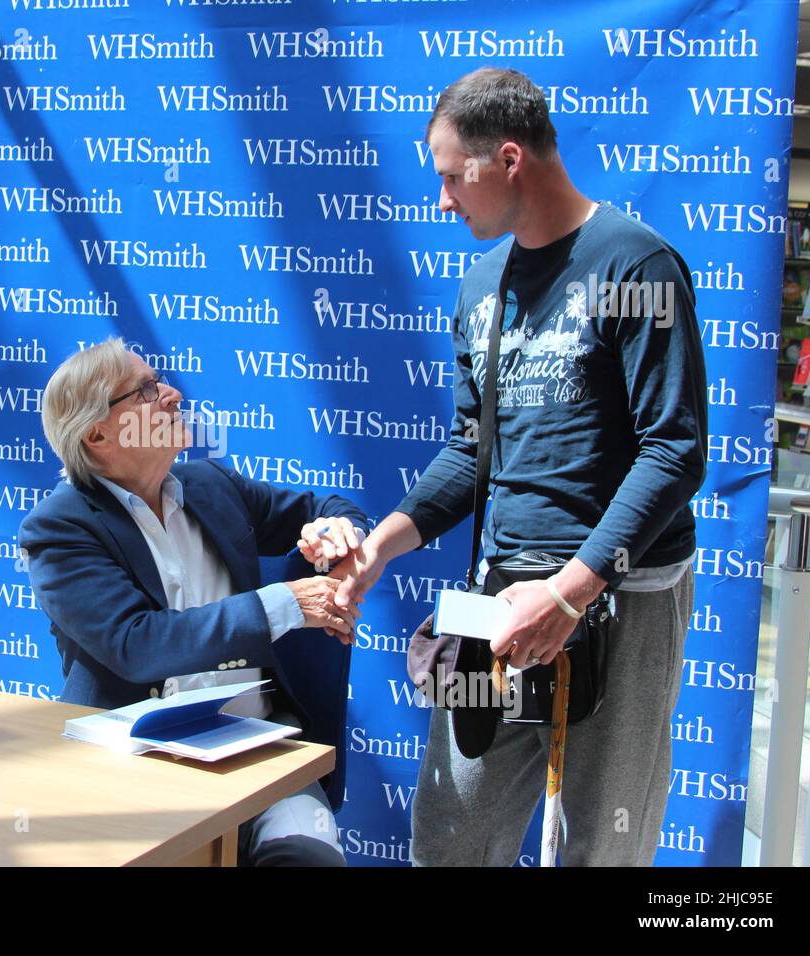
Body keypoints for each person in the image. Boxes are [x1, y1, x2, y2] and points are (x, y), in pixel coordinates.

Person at [333, 68, 707, 866]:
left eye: (449, 176)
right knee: (452, 840)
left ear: (507, 159)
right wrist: (379, 548)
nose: (442, 201)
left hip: (619, 598)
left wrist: (571, 592)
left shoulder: (635, 267)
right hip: (501, 600)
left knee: (601, 848)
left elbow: (673, 448)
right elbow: (475, 448)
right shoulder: (481, 286)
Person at [19, 338, 369, 867]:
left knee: (310, 860)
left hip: (261, 752)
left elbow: (326, 505)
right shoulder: (61, 528)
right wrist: (285, 604)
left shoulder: (211, 485)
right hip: (134, 766)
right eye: (146, 390)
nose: (173, 395)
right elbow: (138, 644)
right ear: (97, 433)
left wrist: (336, 532)